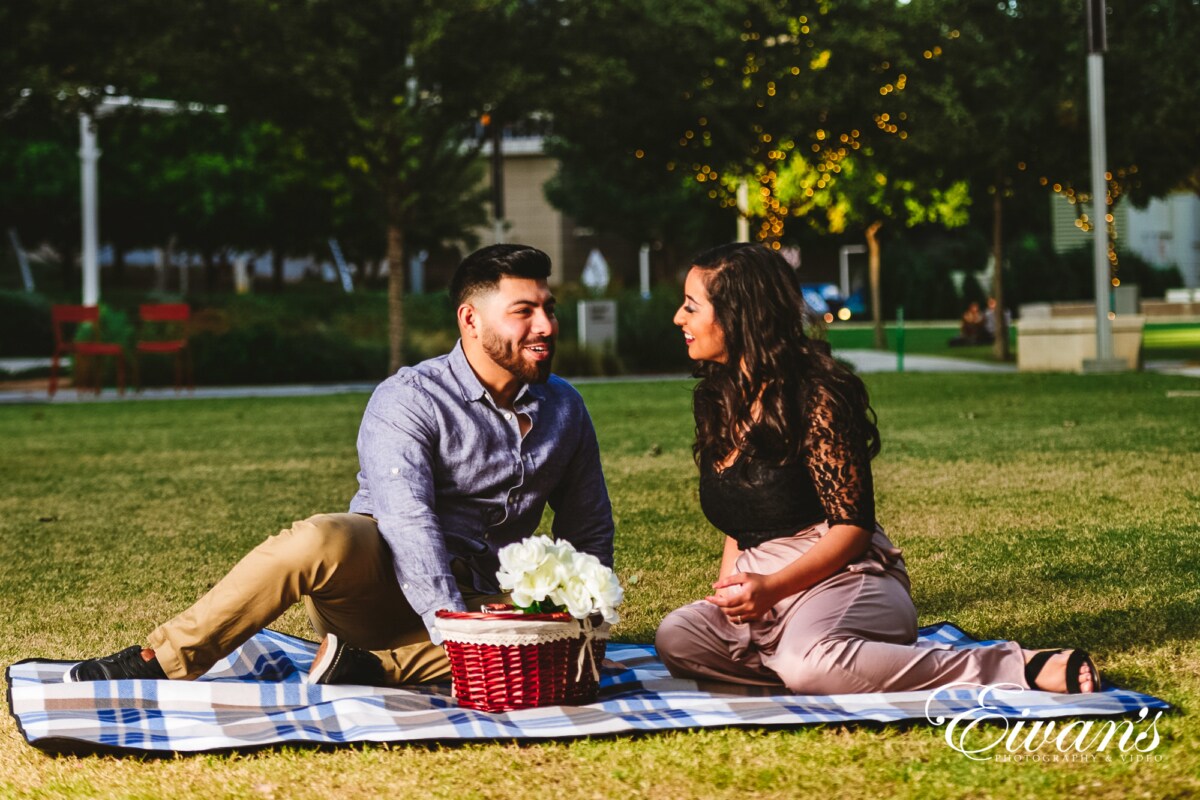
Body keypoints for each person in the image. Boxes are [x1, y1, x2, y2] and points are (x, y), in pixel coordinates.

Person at [66, 244, 614, 686]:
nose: (545, 325)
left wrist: (584, 622)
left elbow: (586, 524)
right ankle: (161, 659)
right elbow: (408, 523)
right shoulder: (409, 400)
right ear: (470, 319)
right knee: (319, 539)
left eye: (549, 309)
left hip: (488, 598)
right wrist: (456, 631)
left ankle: (370, 668)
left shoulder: (564, 406)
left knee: (556, 657)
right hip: (378, 585)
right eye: (524, 311)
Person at [655, 243, 1099, 695]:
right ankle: (825, 664)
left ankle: (1008, 665)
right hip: (764, 583)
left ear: (740, 313)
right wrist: (733, 587)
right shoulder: (717, 399)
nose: (678, 318)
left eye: (692, 307)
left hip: (841, 575)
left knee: (807, 664)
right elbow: (740, 513)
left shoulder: (817, 397)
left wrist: (770, 588)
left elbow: (853, 528)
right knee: (677, 639)